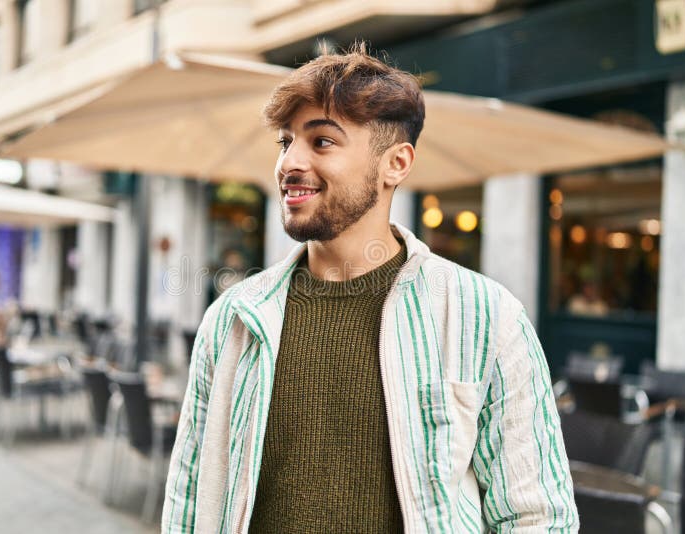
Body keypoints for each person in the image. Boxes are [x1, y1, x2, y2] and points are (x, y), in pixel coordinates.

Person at [162, 43, 578, 533]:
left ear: (396, 163)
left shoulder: (484, 315)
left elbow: (537, 516)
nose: (289, 163)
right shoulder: (233, 320)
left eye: (322, 142)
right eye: (285, 142)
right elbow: (188, 501)